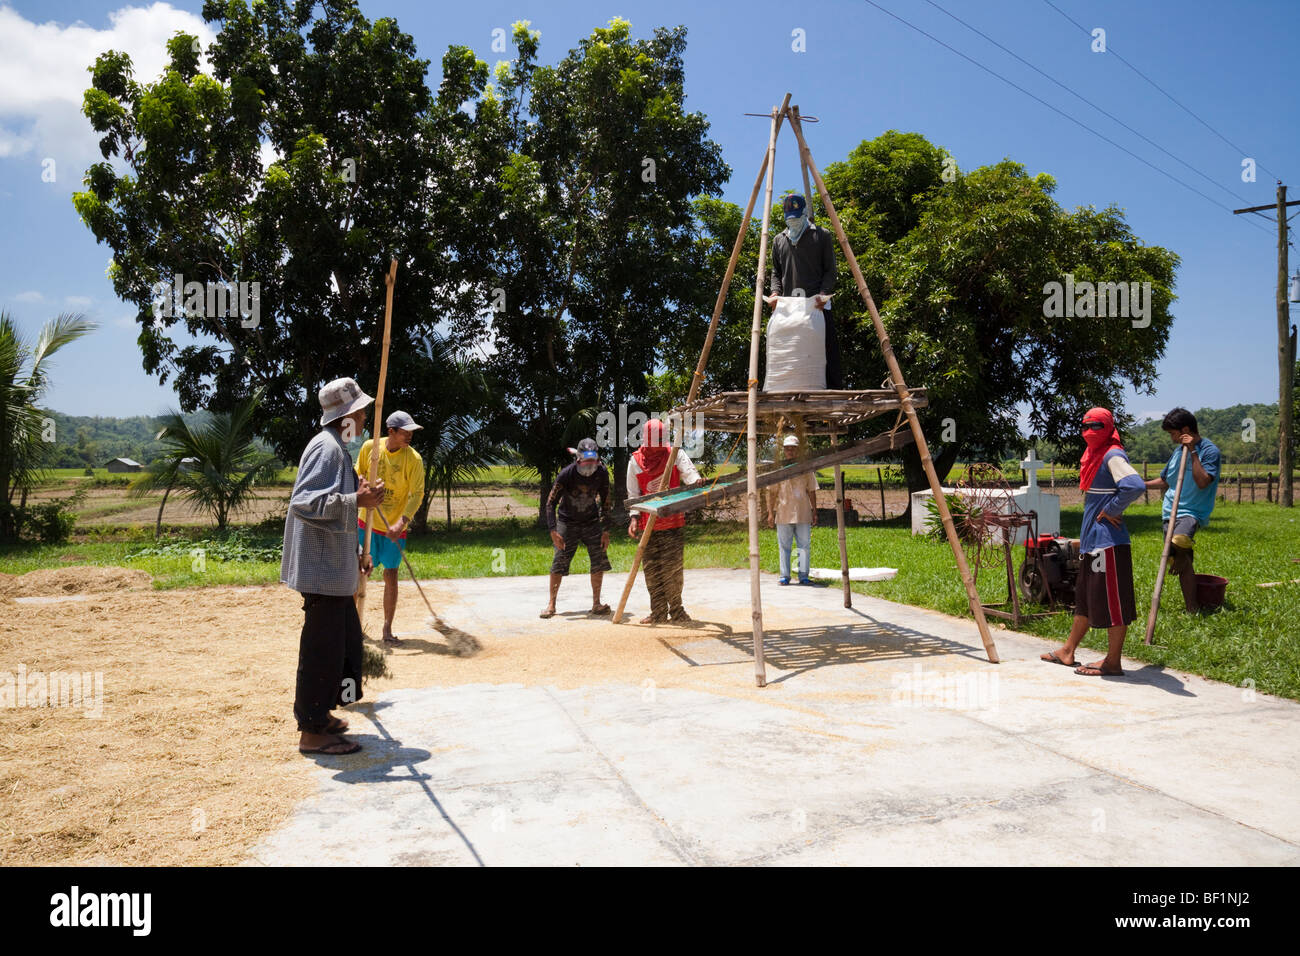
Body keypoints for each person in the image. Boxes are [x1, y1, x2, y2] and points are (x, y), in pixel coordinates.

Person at [282, 377, 385, 756]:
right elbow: (305, 503)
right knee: (322, 649)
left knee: (341, 646)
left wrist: (358, 549)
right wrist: (355, 499)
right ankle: (310, 731)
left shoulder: (337, 449)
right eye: (359, 413)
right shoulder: (326, 449)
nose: (361, 420)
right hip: (322, 571)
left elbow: (339, 502)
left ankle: (321, 715)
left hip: (335, 568)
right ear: (345, 416)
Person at [1040, 407, 1145, 677]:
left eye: (1097, 425)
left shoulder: (1112, 454)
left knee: (1113, 601)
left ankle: (1113, 661)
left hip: (1107, 545)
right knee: (1085, 598)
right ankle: (1068, 650)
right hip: (1093, 543)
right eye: (1086, 424)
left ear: (1109, 427)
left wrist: (1112, 509)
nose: (1090, 431)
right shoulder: (1094, 455)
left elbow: (1134, 485)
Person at [355, 410, 426, 646]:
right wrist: (365, 486)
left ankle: (387, 629)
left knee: (391, 575)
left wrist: (401, 522)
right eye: (405, 431)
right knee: (360, 571)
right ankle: (353, 624)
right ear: (391, 431)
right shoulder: (369, 448)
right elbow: (357, 475)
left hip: (394, 526)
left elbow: (417, 494)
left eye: (411, 432)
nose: (409, 436)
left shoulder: (413, 459)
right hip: (367, 522)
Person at [1143, 407, 1221, 613]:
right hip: (1170, 510)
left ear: (1185, 430)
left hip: (1192, 511)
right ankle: (1192, 607)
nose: (1171, 438)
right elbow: (1165, 480)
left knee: (1179, 541)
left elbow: (1203, 481)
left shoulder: (1209, 451)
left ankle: (1178, 554)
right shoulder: (1177, 452)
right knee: (1182, 562)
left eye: (1172, 433)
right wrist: (1141, 485)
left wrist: (1193, 450)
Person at [764, 192, 844, 388]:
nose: (794, 222)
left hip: (816, 306)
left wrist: (824, 293)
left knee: (826, 352)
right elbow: (776, 272)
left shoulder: (821, 235)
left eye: (797, 218)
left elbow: (830, 270)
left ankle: (832, 395)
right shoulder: (779, 240)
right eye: (789, 219)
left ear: (805, 214)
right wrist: (775, 293)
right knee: (790, 352)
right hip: (790, 309)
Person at [627, 418, 701, 624]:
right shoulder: (635, 461)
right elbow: (633, 495)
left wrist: (697, 483)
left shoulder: (675, 454)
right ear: (646, 439)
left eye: (662, 438)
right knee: (652, 571)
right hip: (647, 526)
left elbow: (690, 475)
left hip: (672, 524)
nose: (660, 443)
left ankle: (677, 611)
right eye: (656, 439)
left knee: (673, 570)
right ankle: (658, 612)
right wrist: (633, 518)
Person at [542, 438, 613, 618]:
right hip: (567, 522)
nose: (589, 466)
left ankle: (596, 603)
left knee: (599, 560)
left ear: (597, 461)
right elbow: (550, 504)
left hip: (591, 522)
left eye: (593, 462)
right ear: (578, 460)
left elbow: (606, 503)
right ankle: (551, 604)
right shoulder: (566, 474)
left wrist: (606, 531)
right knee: (560, 560)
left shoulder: (602, 474)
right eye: (586, 462)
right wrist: (553, 531)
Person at [766, 434, 819, 585]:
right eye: (787, 449)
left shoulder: (806, 468)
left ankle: (803, 575)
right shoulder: (778, 469)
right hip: (783, 513)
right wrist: (770, 513)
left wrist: (815, 511)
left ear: (798, 450)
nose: (790, 452)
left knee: (804, 546)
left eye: (793, 449)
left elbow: (812, 491)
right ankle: (784, 576)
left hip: (803, 512)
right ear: (784, 450)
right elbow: (772, 493)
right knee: (784, 546)